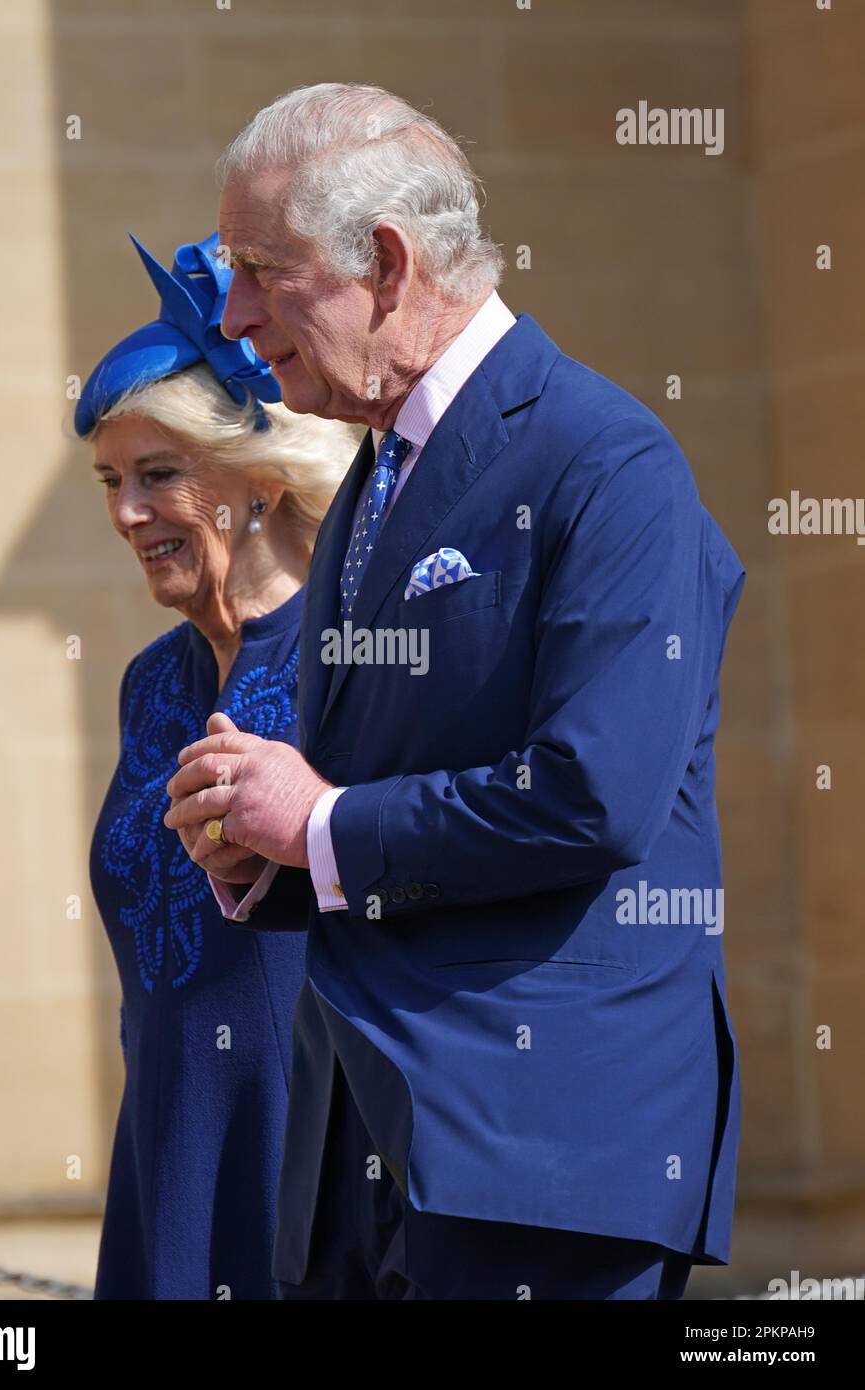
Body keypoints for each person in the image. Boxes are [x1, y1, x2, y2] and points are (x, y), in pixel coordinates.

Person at [167, 83, 746, 1301]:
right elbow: (384, 790)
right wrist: (264, 852)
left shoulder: (607, 460)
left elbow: (596, 794)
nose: (236, 315)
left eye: (265, 271)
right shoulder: (381, 473)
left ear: (383, 263)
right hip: (364, 1145)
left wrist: (318, 823)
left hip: (536, 1150)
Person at [76, 229, 358, 1298]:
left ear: (261, 480)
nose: (127, 514)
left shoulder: (358, 653)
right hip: (166, 1164)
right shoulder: (150, 683)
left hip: (319, 1174)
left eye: (158, 475)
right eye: (111, 481)